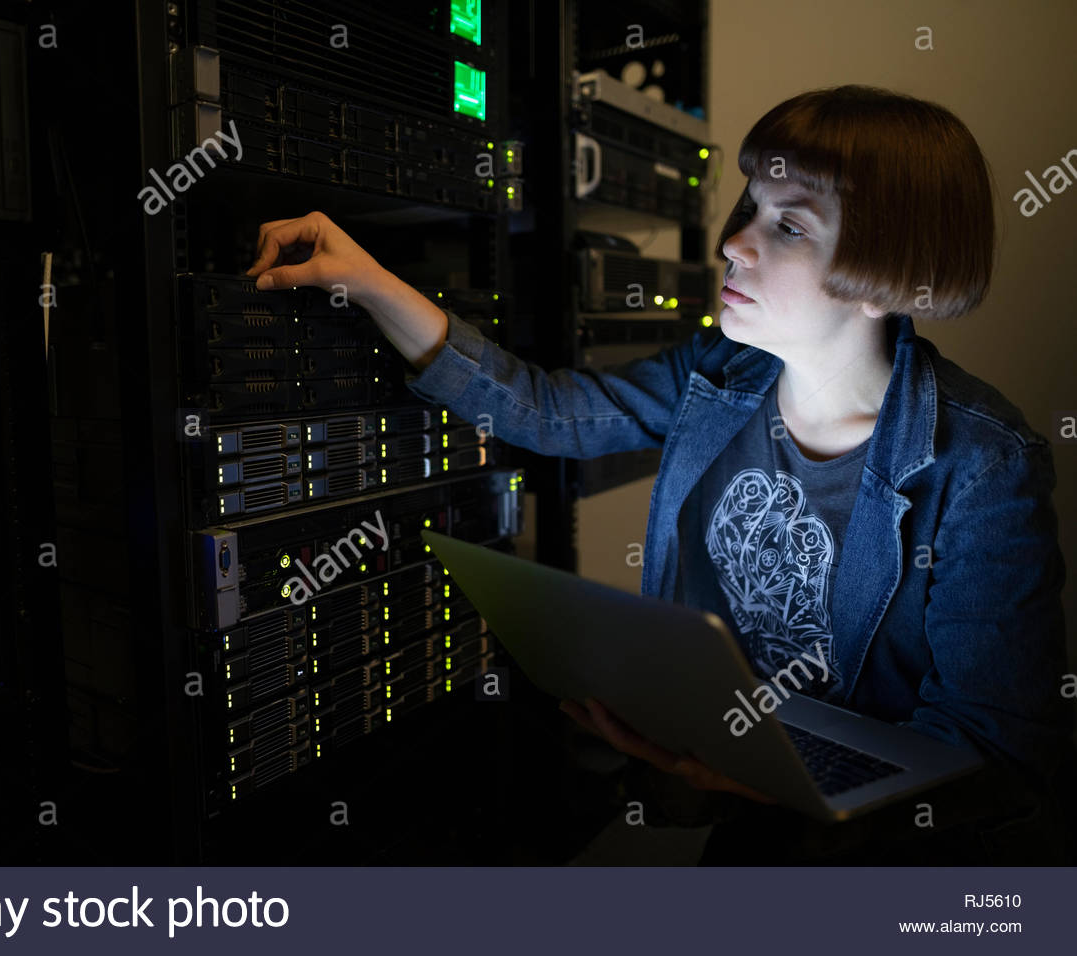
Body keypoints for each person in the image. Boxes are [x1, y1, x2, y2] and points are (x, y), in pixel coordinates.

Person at [245, 84, 1075, 863]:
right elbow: (549, 411)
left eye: (790, 227)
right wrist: (369, 280)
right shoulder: (722, 370)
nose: (733, 242)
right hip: (737, 834)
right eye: (750, 205)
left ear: (889, 275)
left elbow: (992, 753)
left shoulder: (982, 463)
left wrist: (778, 777)